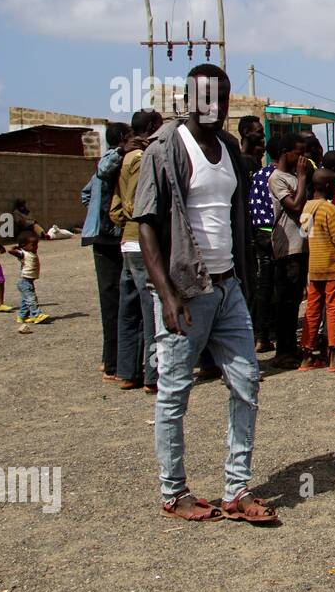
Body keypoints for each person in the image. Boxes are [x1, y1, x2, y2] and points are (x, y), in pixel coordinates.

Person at [134, 63, 276, 525]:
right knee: (175, 392)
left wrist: (243, 283)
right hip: (185, 290)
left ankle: (237, 490)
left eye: (221, 97)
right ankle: (174, 493)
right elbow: (147, 227)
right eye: (204, 97)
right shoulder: (165, 148)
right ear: (188, 99)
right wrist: (168, 295)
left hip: (227, 284)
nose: (213, 106)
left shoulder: (231, 148)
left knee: (246, 382)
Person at [112, 108, 164, 392]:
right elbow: (137, 202)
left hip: (127, 241)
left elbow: (117, 207)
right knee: (151, 310)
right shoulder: (142, 159)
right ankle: (152, 375)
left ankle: (126, 371)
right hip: (141, 241)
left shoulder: (125, 158)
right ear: (154, 126)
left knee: (129, 310)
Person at [81, 122, 132, 379]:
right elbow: (102, 171)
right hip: (109, 239)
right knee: (115, 302)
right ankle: (113, 364)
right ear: (123, 138)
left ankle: (109, 359)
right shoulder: (113, 159)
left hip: (104, 238)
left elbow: (86, 194)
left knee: (114, 302)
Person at [299, 169, 335, 372]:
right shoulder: (329, 209)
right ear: (329, 186)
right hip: (331, 265)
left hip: (314, 266)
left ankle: (307, 356)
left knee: (312, 309)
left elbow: (304, 233)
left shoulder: (307, 206)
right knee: (333, 308)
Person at [269, 132, 310, 369]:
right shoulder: (278, 178)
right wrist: (303, 179)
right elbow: (295, 206)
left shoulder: (294, 177)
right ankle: (283, 351)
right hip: (288, 248)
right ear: (286, 153)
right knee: (286, 302)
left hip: (301, 243)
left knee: (294, 300)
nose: (302, 157)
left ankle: (290, 348)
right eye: (299, 152)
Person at [248, 136, 281, 352]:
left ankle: (261, 336)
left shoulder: (259, 175)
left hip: (260, 233)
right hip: (278, 234)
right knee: (280, 286)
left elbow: (252, 204)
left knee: (264, 284)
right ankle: (275, 333)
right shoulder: (283, 177)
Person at [7, 229, 48, 326]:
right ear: (24, 246)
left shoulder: (31, 253)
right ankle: (37, 314)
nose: (36, 247)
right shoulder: (23, 253)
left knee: (26, 300)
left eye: (36, 244)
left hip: (29, 281)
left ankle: (22, 316)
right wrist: (17, 247)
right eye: (33, 245)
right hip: (24, 282)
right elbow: (10, 251)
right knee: (31, 299)